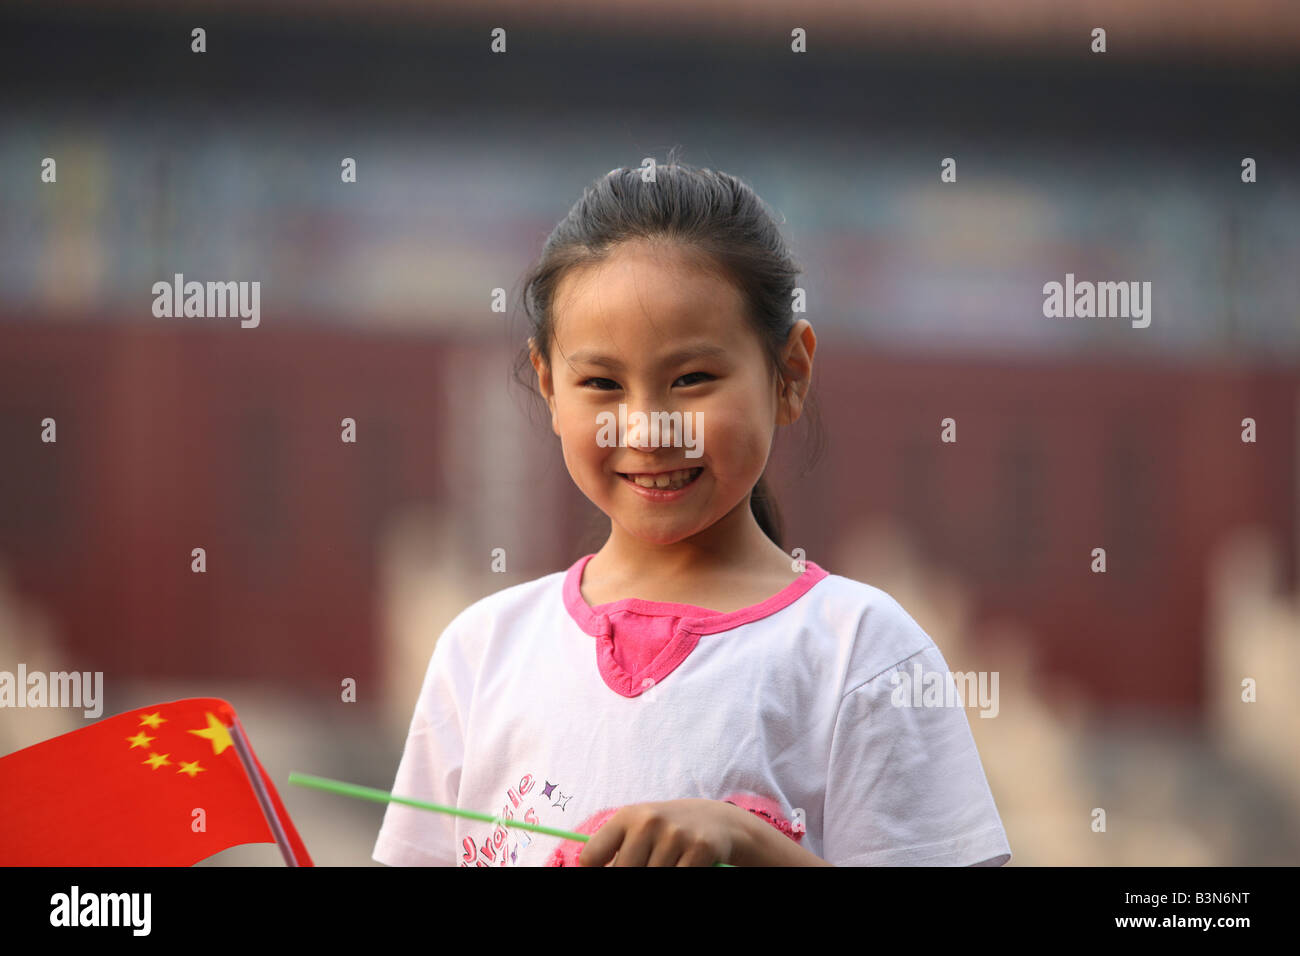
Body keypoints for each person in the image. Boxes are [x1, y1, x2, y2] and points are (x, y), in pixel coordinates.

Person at [372, 151, 1012, 867]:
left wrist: (747, 842)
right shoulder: (482, 652)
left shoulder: (859, 653)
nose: (647, 428)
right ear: (550, 388)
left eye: (693, 378)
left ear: (789, 374)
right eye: (602, 383)